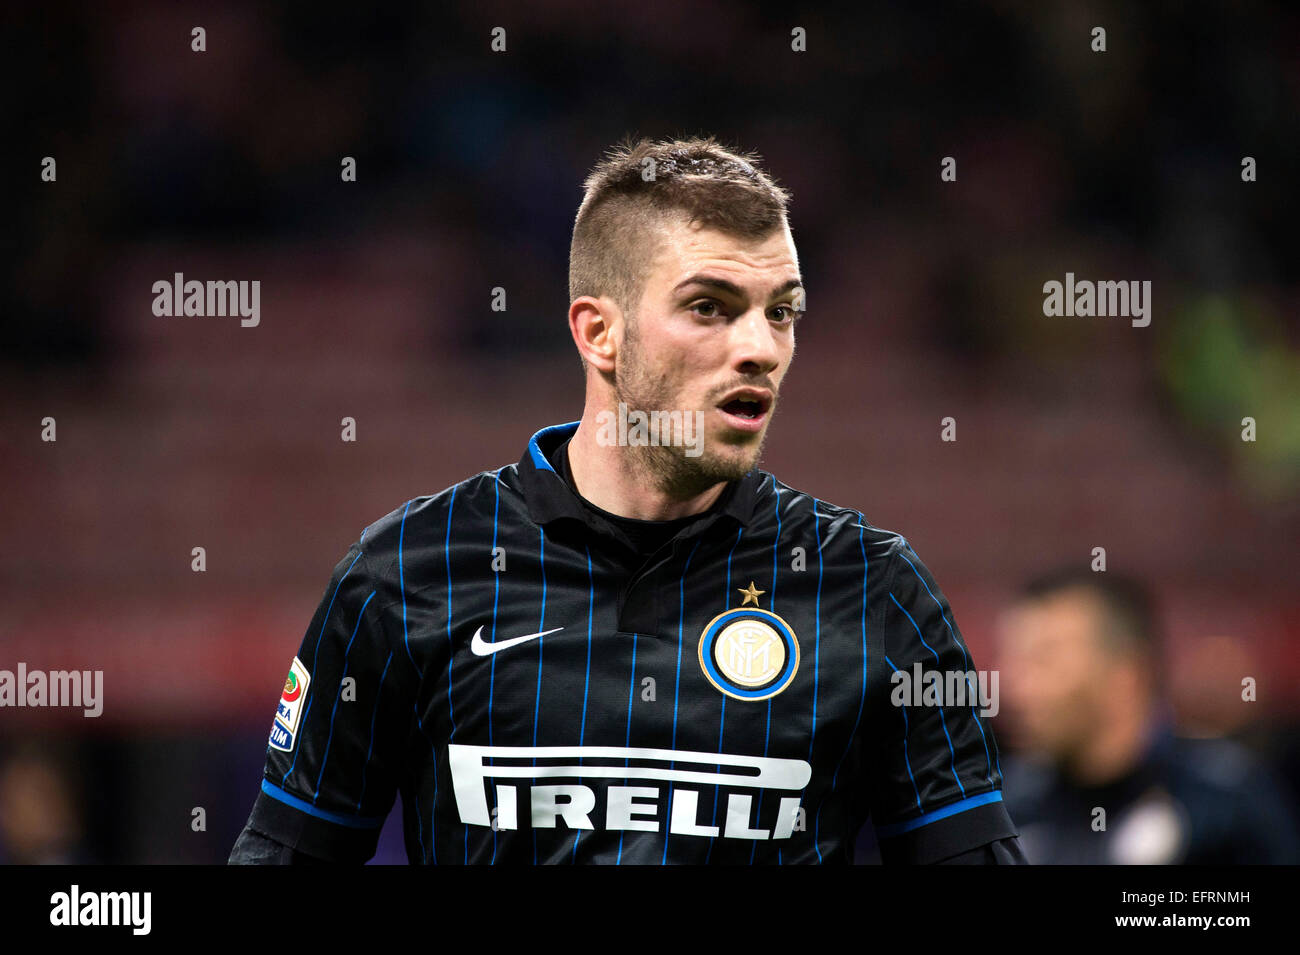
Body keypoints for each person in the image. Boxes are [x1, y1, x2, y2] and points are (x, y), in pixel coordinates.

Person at [229, 136, 1024, 864]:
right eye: (709, 306)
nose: (760, 348)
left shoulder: (872, 586)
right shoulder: (407, 571)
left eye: (781, 311)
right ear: (598, 333)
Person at [997, 567, 1300, 863]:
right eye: (1015, 661)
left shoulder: (1226, 807)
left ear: (1126, 675)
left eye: (1044, 660)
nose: (1015, 687)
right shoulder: (1007, 808)